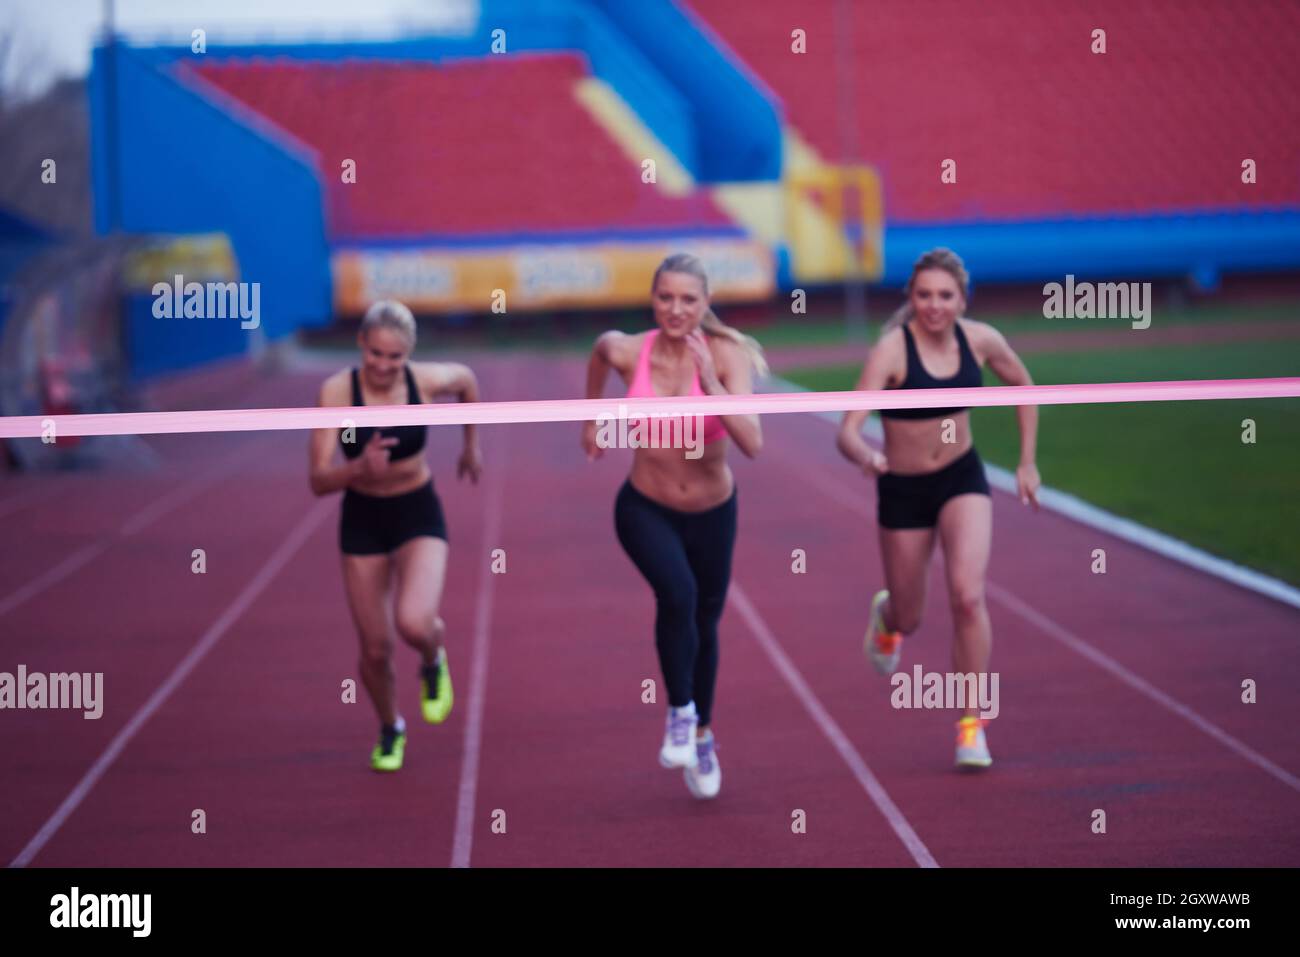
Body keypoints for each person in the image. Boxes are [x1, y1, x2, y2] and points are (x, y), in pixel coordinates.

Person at [835, 248, 1040, 769]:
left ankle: (971, 725)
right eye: (924, 295)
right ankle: (886, 618)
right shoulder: (892, 351)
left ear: (961, 299)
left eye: (945, 296)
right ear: (911, 298)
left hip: (961, 477)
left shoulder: (981, 339)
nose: (934, 306)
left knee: (968, 597)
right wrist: (865, 455)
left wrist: (1027, 462)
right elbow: (848, 429)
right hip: (902, 489)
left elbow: (1022, 383)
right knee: (911, 615)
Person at [581, 253, 765, 799]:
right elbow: (597, 354)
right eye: (666, 298)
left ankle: (704, 735)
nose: (676, 309)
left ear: (705, 303)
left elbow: (753, 443)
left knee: (704, 624)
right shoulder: (626, 349)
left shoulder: (726, 353)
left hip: (713, 513)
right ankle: (680, 713)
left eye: (688, 299)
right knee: (678, 596)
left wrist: (712, 383)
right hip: (645, 506)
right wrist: (592, 417)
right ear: (652, 299)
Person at [308, 300, 482, 772]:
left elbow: (466, 379)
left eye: (395, 357)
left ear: (409, 355)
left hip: (416, 510)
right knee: (375, 648)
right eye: (376, 354)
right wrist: (359, 469)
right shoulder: (337, 392)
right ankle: (391, 728)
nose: (384, 366)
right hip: (362, 516)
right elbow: (318, 479)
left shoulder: (421, 382)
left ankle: (432, 657)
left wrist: (471, 445)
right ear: (361, 343)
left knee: (412, 622)